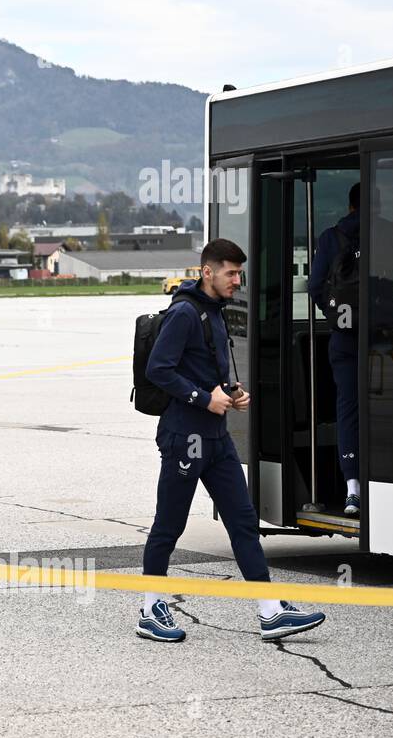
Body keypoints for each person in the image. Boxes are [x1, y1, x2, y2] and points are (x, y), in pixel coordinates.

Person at [139, 238, 325, 642]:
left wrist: (230, 391)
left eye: (239, 273)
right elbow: (159, 369)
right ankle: (150, 608)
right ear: (208, 272)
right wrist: (206, 399)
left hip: (216, 438)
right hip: (184, 438)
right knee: (169, 526)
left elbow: (203, 366)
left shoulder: (214, 312)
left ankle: (269, 610)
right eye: (231, 273)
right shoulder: (185, 313)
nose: (237, 280)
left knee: (243, 522)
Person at [307, 182, 361, 514]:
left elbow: (314, 286)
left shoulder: (331, 237)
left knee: (349, 411)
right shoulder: (386, 233)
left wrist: (336, 315)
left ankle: (353, 488)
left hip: (345, 341)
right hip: (385, 339)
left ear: (350, 206)